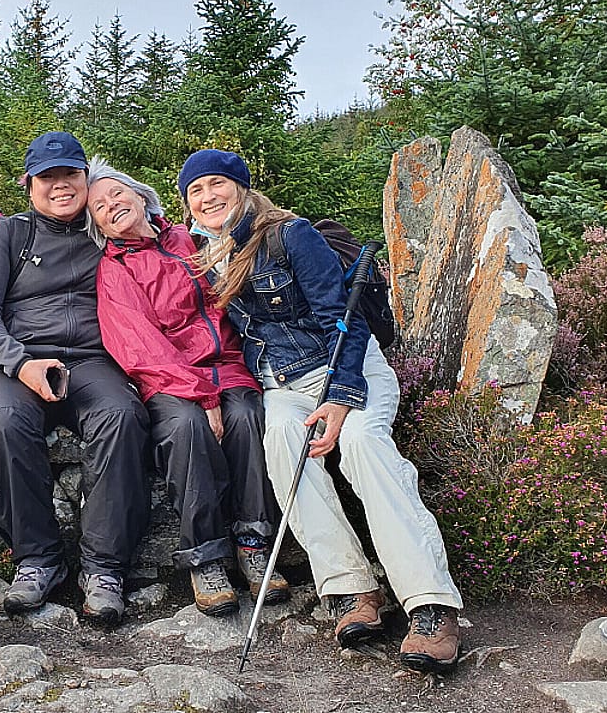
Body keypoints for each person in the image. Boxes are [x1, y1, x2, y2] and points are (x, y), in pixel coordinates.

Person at [180, 148, 464, 673]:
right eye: (195, 191)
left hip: (345, 370)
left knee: (362, 445)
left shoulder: (291, 235)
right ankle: (351, 588)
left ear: (242, 187)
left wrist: (340, 396)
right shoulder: (206, 255)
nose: (207, 197)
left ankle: (431, 606)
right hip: (281, 387)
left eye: (216, 184)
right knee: (282, 446)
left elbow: (344, 319)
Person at [85, 158, 289, 617]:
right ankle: (205, 557)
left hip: (227, 364)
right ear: (98, 226)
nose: (112, 205)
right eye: (99, 206)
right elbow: (139, 346)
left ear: (142, 197)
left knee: (248, 416)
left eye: (117, 194)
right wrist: (200, 393)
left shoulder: (188, 239)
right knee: (187, 428)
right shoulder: (115, 269)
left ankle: (254, 543)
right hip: (167, 378)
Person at [0, 132, 150, 626]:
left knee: (122, 417)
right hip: (20, 361)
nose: (61, 184)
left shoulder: (105, 229)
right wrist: (19, 362)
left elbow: (157, 240)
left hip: (94, 361)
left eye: (70, 173)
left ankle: (105, 568)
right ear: (29, 185)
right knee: (1, 423)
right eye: (48, 177)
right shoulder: (8, 234)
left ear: (87, 178)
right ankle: (37, 559)